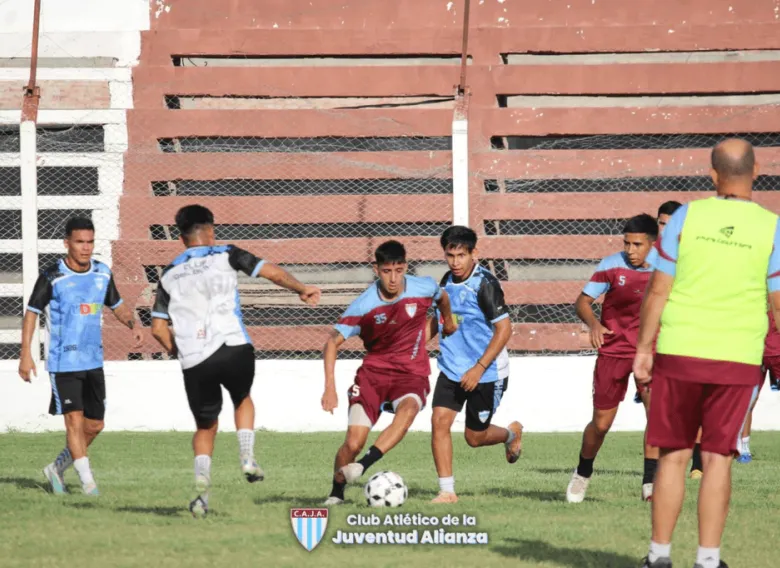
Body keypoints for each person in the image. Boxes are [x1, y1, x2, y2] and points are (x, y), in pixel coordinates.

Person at [635, 138, 780, 568]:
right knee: (718, 459)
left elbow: (658, 289)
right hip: (737, 358)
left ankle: (659, 556)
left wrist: (644, 348)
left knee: (674, 456)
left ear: (712, 174)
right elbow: (778, 304)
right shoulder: (772, 227)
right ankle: (709, 560)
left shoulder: (686, 216)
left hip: (680, 351)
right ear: (757, 172)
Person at [150, 205, 321, 518]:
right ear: (212, 229)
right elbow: (270, 270)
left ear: (181, 236)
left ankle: (201, 493)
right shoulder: (227, 253)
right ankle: (247, 457)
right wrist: (301, 288)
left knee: (206, 426)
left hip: (195, 358)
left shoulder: (169, 273)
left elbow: (158, 328)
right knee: (242, 398)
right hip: (234, 347)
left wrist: (179, 349)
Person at [321, 240, 456, 505]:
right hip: (373, 376)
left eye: (398, 270)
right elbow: (331, 343)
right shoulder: (364, 305)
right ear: (376, 269)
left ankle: (364, 465)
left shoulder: (424, 287)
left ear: (405, 267)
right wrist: (329, 387)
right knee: (353, 443)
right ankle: (336, 492)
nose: (393, 278)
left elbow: (443, 298)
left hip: (410, 375)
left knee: (408, 411)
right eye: (386, 271)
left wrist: (448, 321)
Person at [18, 216, 143, 496]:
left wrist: (134, 325)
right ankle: (88, 484)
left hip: (93, 361)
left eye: (89, 242)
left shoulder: (101, 273)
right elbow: (31, 314)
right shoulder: (53, 276)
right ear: (67, 243)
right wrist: (26, 355)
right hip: (64, 362)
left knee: (95, 424)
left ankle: (56, 468)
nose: (86, 248)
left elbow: (118, 305)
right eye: (79, 242)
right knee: (74, 420)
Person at [565, 214, 659, 504]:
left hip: (650, 351)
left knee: (656, 416)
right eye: (626, 243)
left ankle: (650, 483)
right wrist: (594, 325)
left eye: (637, 244)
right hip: (613, 350)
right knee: (602, 424)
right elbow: (582, 301)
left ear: (652, 244)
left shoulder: (667, 268)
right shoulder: (610, 265)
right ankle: (583, 471)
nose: (630, 250)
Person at [427, 226, 522, 504]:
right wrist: (415, 344)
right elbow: (439, 318)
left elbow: (504, 330)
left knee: (474, 437)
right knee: (439, 422)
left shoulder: (485, 285)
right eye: (450, 255)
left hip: (487, 372)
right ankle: (447, 491)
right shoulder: (445, 281)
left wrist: (478, 368)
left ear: (473, 254)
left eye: (461, 255)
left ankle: (510, 434)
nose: (455, 262)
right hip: (453, 367)